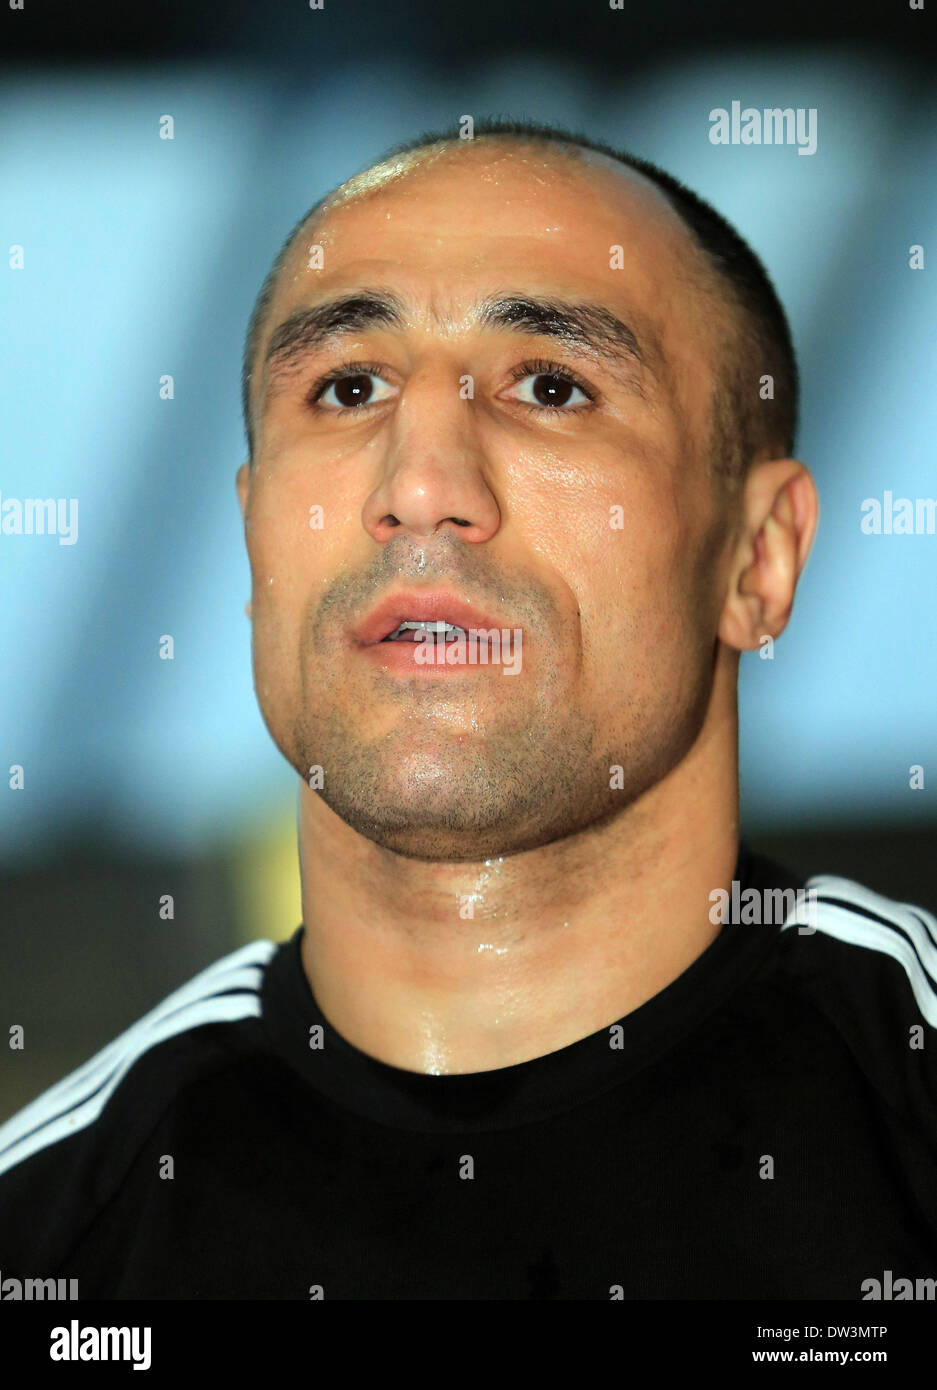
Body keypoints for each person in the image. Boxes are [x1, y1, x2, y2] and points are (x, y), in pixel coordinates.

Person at [1, 120, 934, 1300]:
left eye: (550, 386)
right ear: (250, 537)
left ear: (758, 557)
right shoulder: (44, 1246)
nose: (421, 485)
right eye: (347, 388)